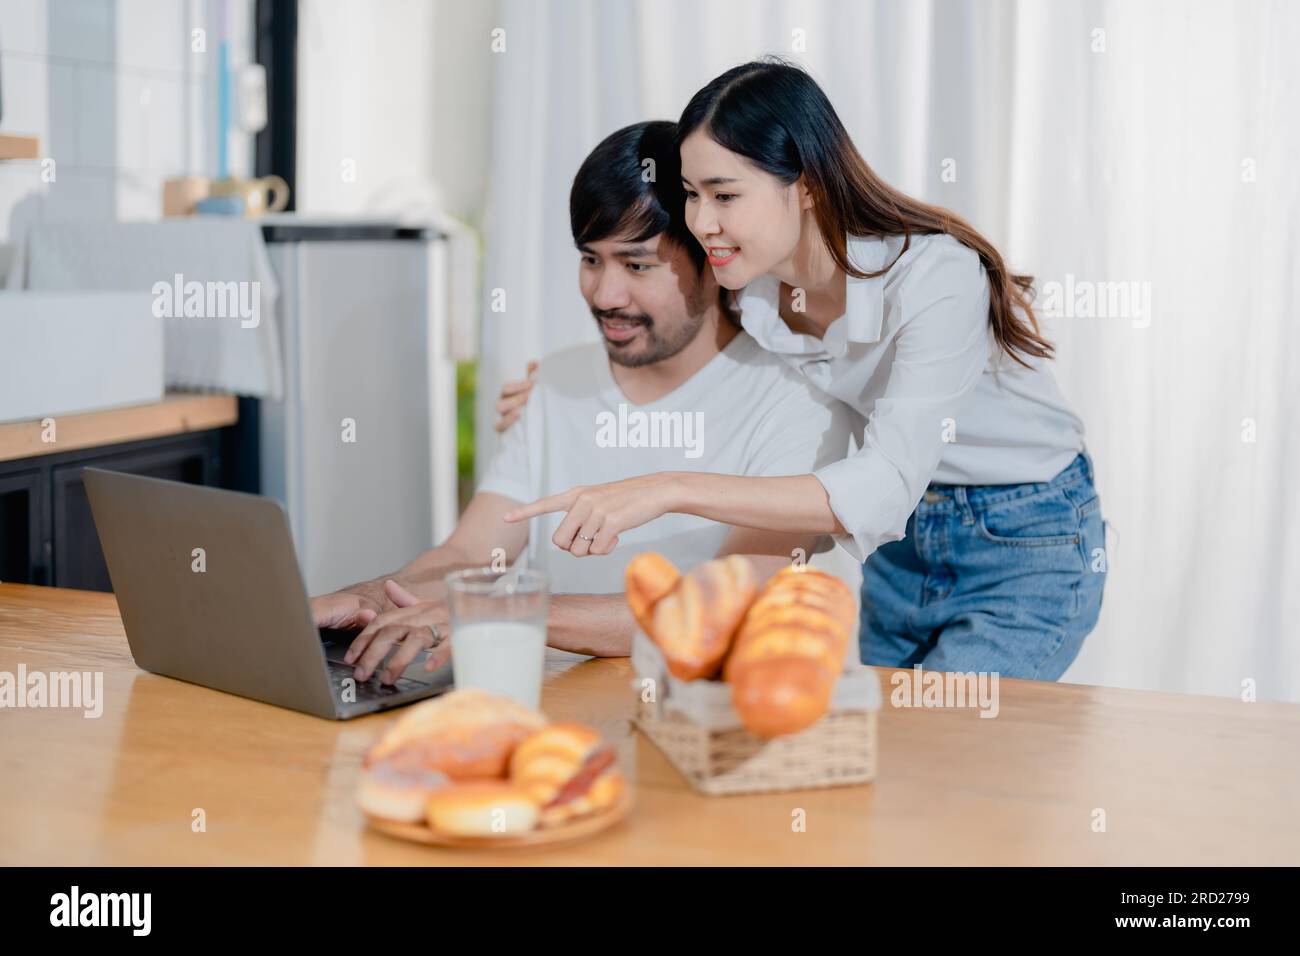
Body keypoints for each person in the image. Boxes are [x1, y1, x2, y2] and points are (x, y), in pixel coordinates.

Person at [503, 60, 1107, 681]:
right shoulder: (753, 288)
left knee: (954, 741)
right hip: (902, 548)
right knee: (895, 751)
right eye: (691, 193)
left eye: (725, 194)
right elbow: (676, 342)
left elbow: (886, 481)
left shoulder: (936, 278)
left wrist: (669, 487)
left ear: (809, 183)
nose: (702, 221)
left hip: (1024, 532)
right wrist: (556, 387)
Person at [311, 119, 852, 685]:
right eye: (591, 260)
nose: (604, 294)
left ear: (715, 258)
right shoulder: (557, 382)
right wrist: (368, 598)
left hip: (702, 731)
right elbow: (470, 555)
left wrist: (499, 612)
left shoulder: (799, 404)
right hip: (553, 706)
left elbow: (713, 615)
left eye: (637, 265)